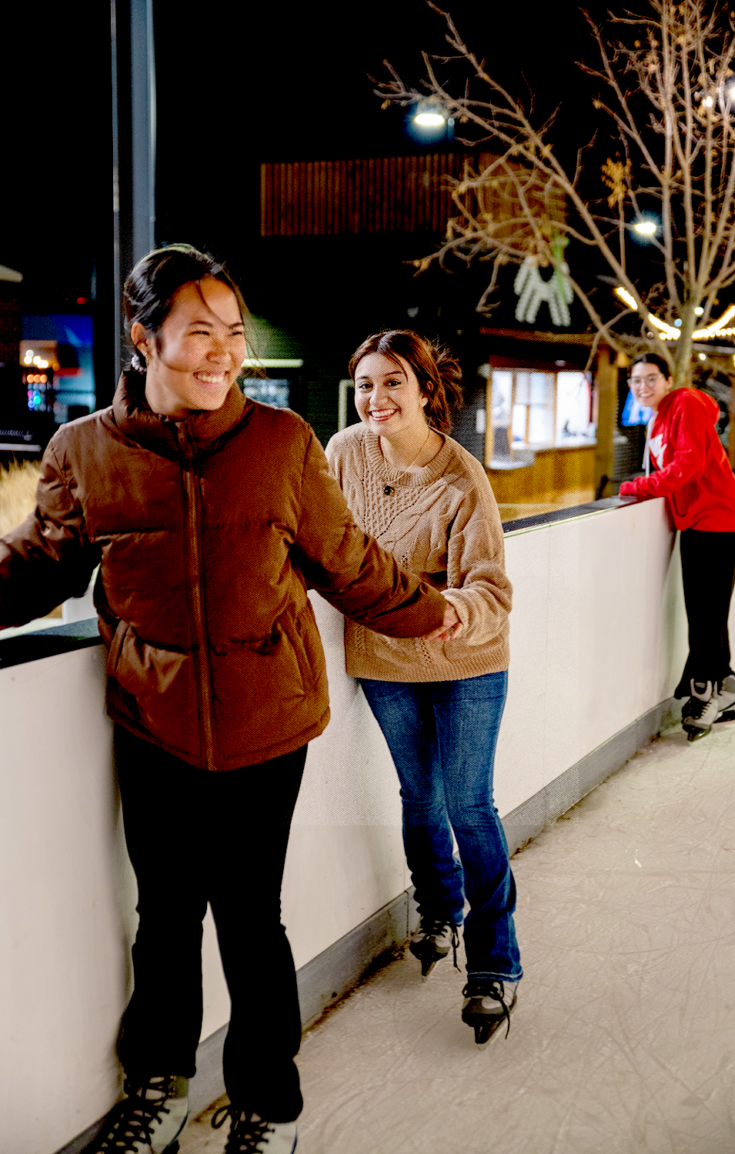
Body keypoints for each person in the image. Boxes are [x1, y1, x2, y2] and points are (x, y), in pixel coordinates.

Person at [0, 247, 458, 1154]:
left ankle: (266, 1104)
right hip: (154, 718)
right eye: (199, 333)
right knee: (165, 916)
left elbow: (347, 560)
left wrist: (428, 611)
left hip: (265, 721)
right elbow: (38, 563)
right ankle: (160, 1086)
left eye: (235, 335)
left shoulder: (280, 443)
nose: (223, 353)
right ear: (143, 338)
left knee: (251, 917)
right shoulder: (85, 451)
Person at [325, 330, 522, 1046]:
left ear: (425, 390)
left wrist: (450, 610)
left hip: (466, 660)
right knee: (419, 795)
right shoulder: (343, 452)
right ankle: (439, 908)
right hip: (382, 660)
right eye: (365, 385)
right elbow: (319, 540)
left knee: (469, 803)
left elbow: (493, 592)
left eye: (392, 383)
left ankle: (495, 965)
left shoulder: (461, 476)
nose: (376, 399)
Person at [619, 353, 735, 741]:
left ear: (669, 379)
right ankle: (725, 691)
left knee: (705, 612)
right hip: (697, 521)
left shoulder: (686, 403)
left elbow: (689, 465)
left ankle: (703, 697)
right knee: (710, 611)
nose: (643, 387)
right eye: (636, 381)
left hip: (717, 519)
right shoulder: (659, 415)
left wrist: (637, 487)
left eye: (651, 379)